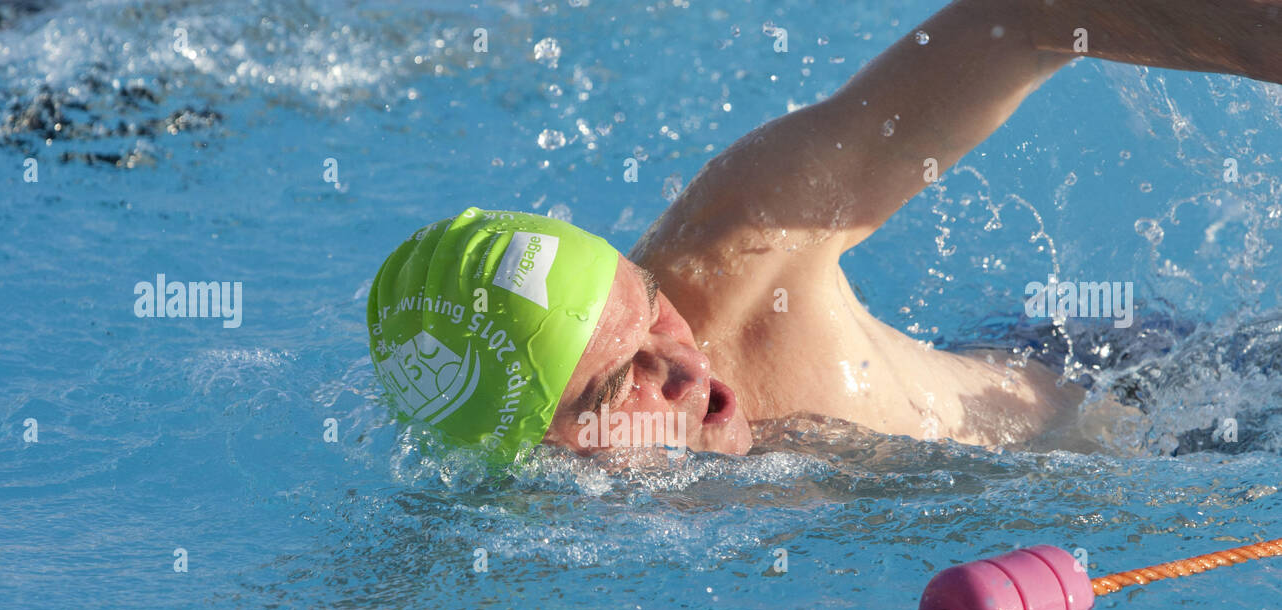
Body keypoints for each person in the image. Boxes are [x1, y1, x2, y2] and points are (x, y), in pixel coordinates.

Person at [368, 0, 1281, 461]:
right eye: (617, 388)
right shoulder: (542, 527)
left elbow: (1027, 19)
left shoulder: (739, 249)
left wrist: (1253, 40)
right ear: (536, 454)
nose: (685, 365)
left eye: (651, 311)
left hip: (1157, 398)